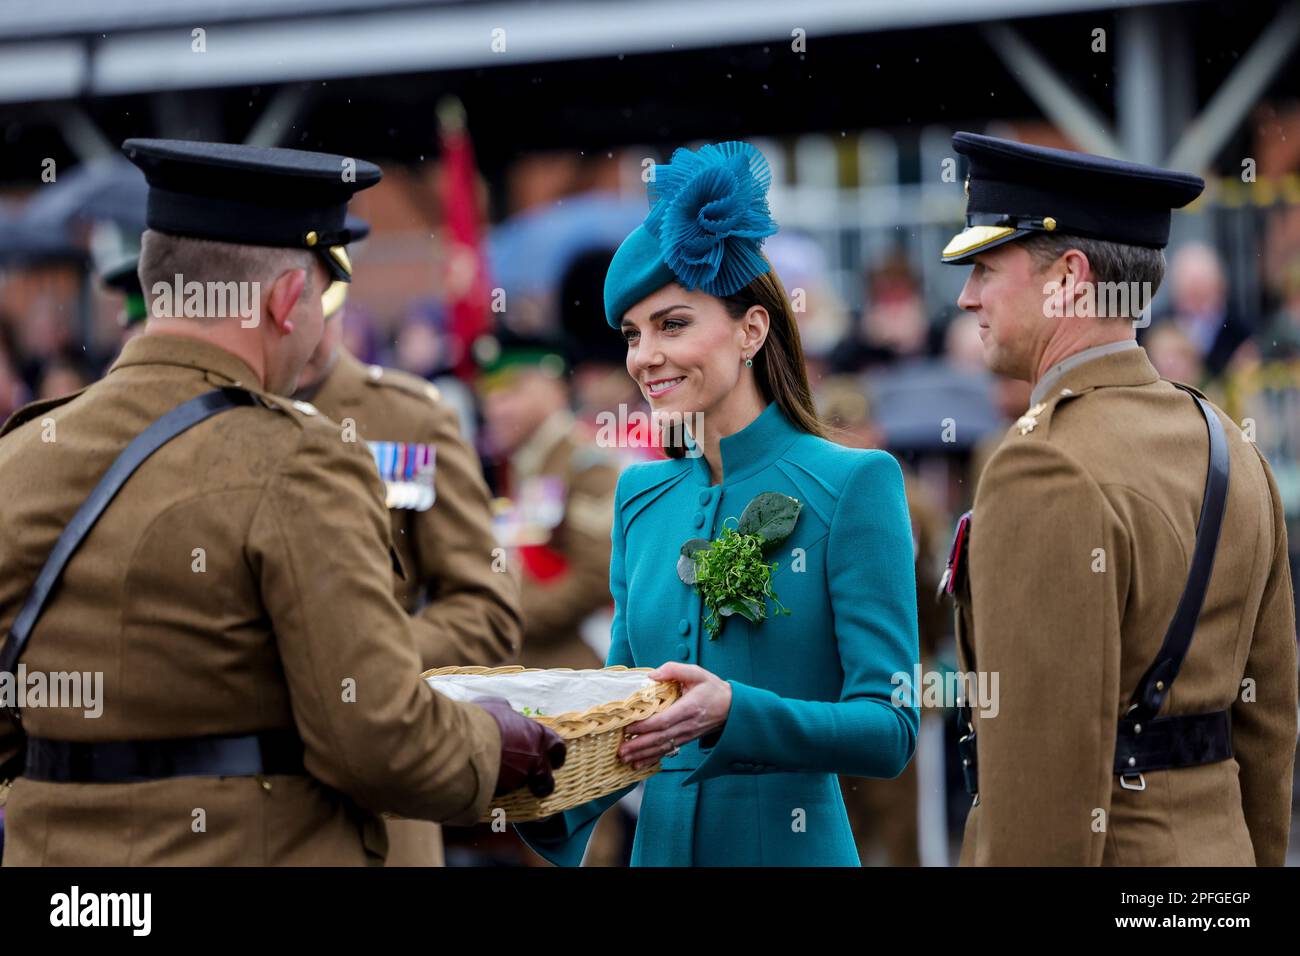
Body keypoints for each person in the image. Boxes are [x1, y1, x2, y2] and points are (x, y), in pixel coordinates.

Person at [0, 138, 562, 866]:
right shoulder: (300, 457)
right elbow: (379, 741)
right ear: (286, 299)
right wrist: (495, 744)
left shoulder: (23, 451)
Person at [514, 141, 919, 866]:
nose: (645, 356)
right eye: (633, 335)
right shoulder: (638, 495)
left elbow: (889, 729)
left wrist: (738, 711)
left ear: (751, 330)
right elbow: (619, 726)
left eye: (672, 325)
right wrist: (523, 787)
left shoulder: (856, 483)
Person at [940, 131, 1297, 865]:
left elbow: (1039, 790)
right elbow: (1268, 727)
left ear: (1068, 276)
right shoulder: (1231, 443)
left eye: (984, 265)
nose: (966, 294)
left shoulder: (1040, 466)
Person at [291, 233, 523, 867]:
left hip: (378, 805)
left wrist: (365, 656)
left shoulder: (409, 417)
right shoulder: (212, 414)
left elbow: (487, 607)